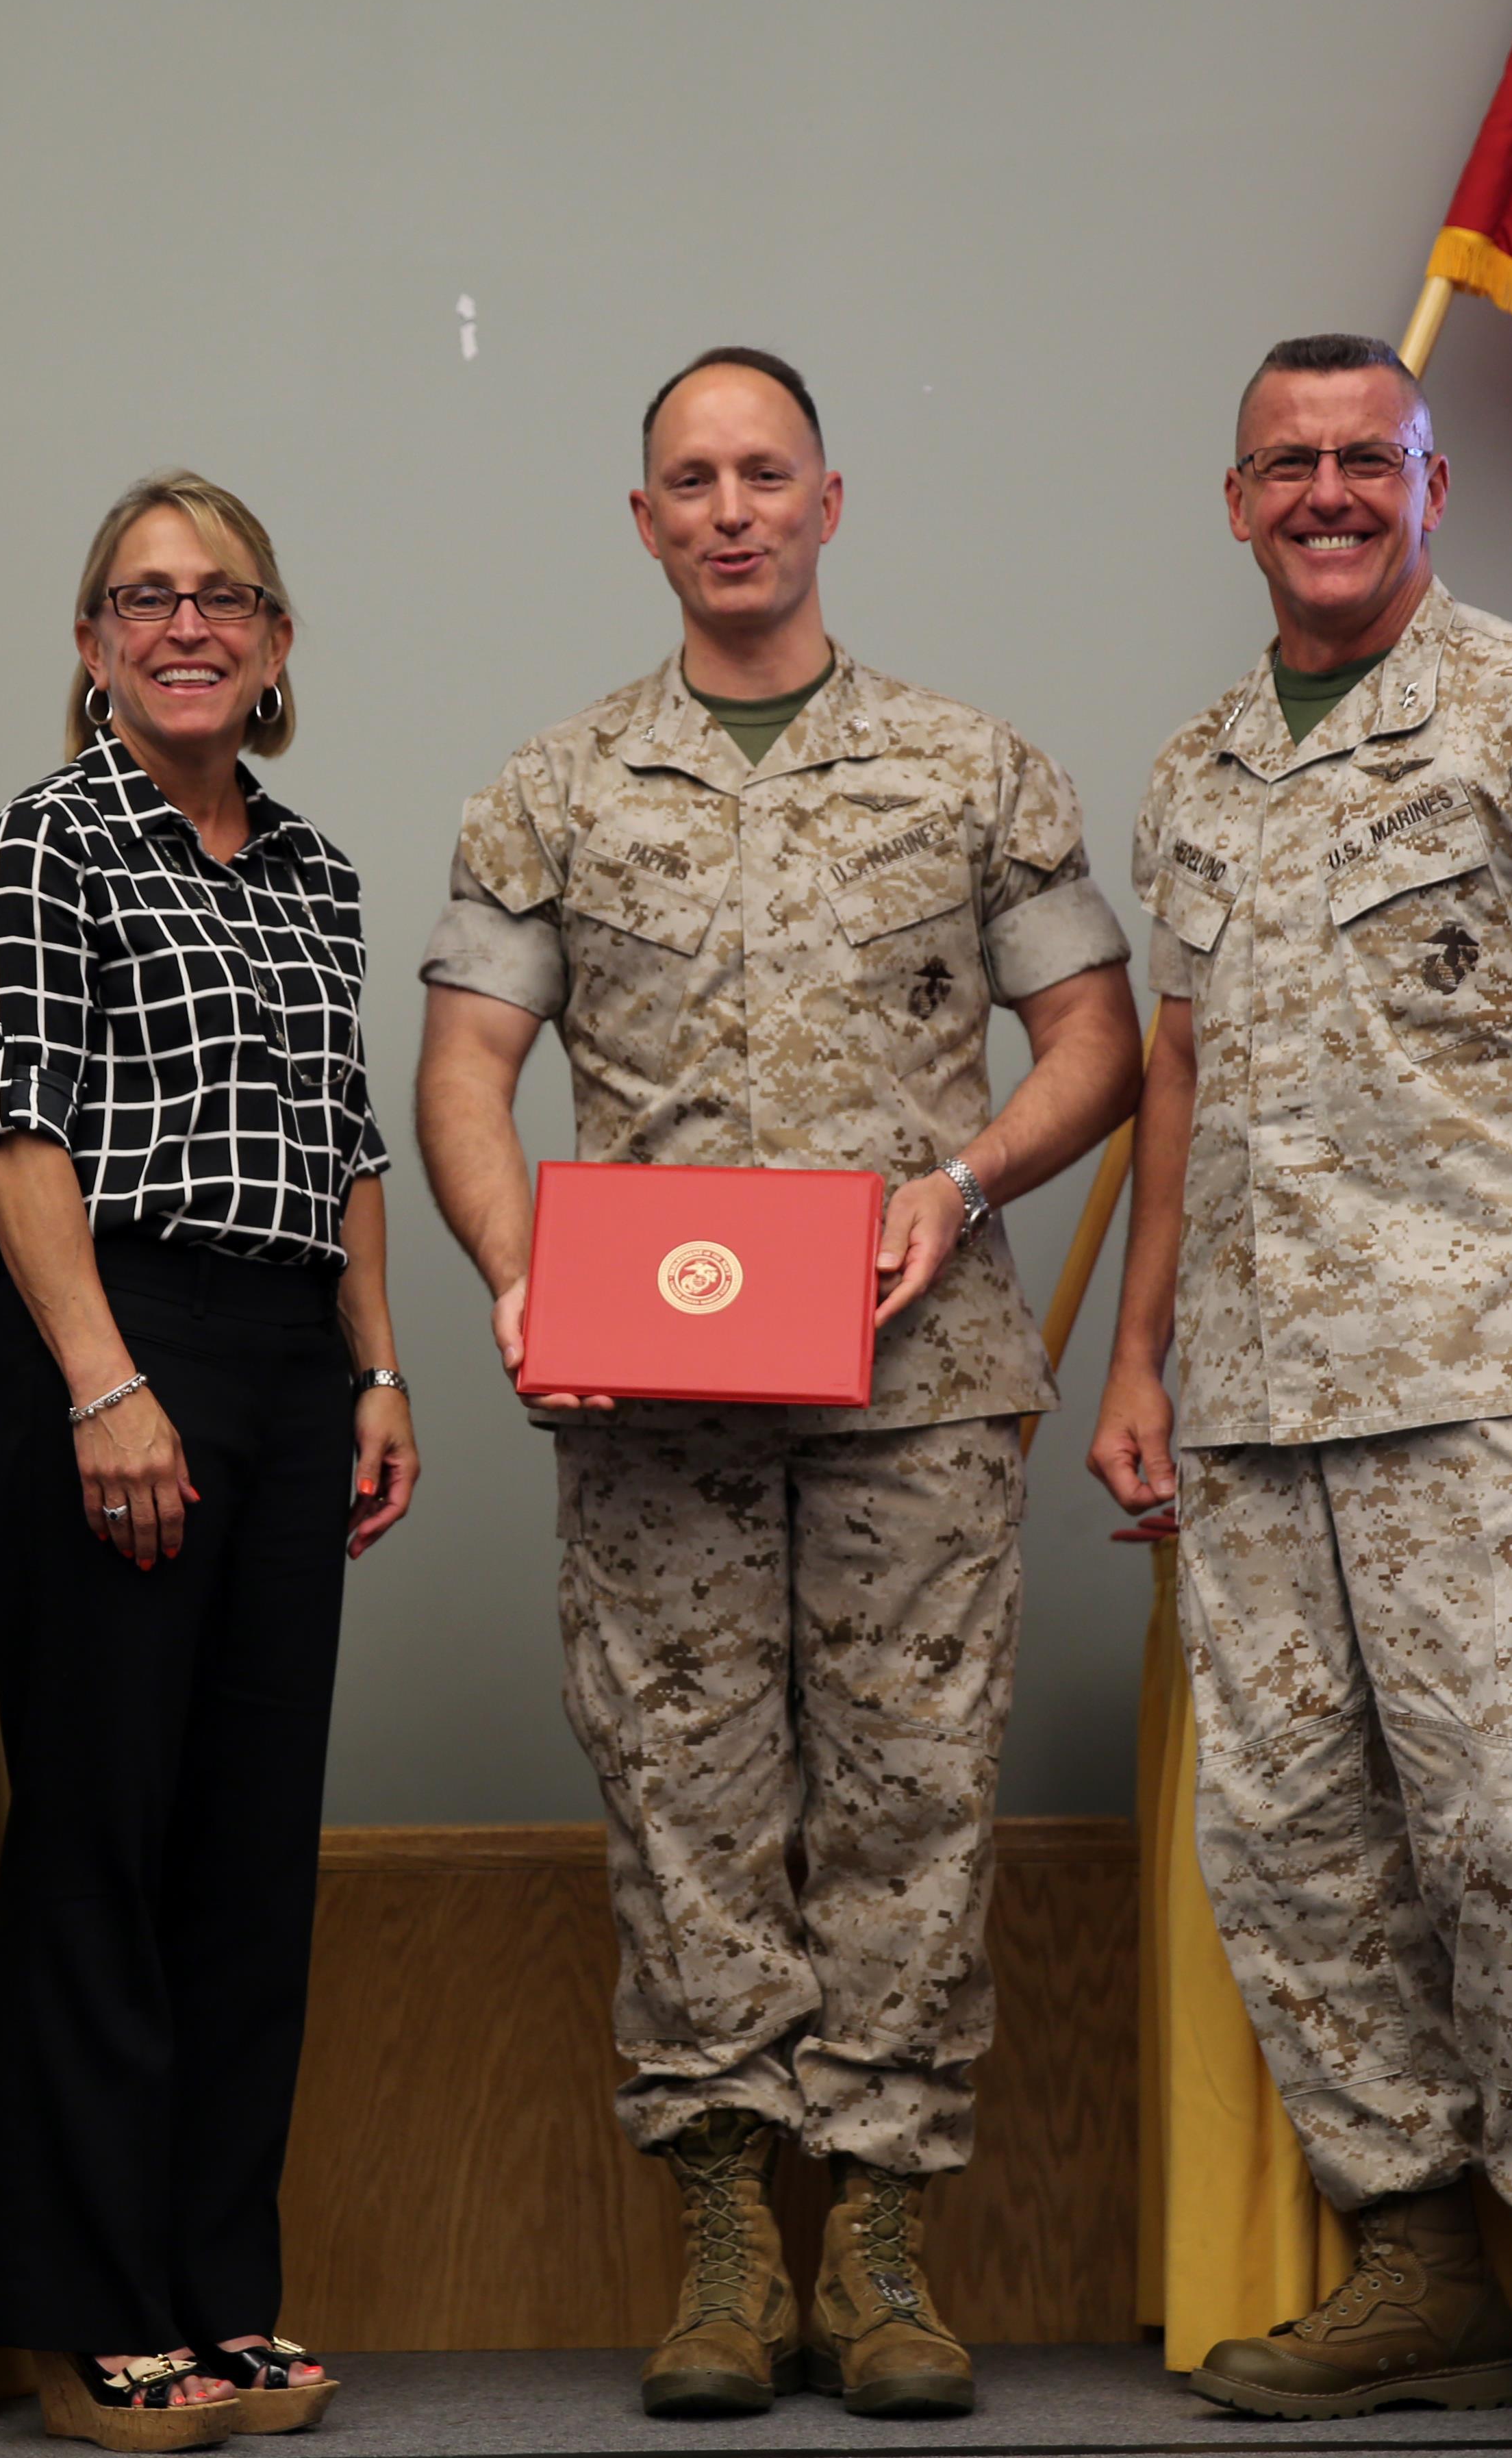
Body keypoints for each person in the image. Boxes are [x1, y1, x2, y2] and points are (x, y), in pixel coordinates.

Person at [415, 347, 1141, 2424]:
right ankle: (731, 2239)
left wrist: (967, 1171)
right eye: (689, 481)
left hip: (918, 1380)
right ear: (641, 520)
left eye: (765, 474)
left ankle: (887, 2243)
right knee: (686, 1801)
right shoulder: (551, 790)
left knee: (917, 1799)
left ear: (833, 500)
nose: (730, 510)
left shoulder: (972, 767)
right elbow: (467, 1067)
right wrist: (519, 1265)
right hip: (653, 1397)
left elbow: (1098, 1037)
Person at [1091, 333, 1512, 2446]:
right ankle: (1421, 2259)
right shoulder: (1191, 768)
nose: (1330, 490)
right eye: (1290, 462)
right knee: (1293, 1845)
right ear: (1235, 499)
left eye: (1370, 457)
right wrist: (1141, 1353)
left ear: (1430, 486)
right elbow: (1176, 1078)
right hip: (1261, 1404)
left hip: (1488, 1386)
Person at [0, 471, 420, 2453]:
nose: (186, 624)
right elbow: (20, 1140)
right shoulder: (40, 849)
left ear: (279, 643)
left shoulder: (315, 873)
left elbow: (349, 1150)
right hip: (108, 1341)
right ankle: (84, 2315)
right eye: (143, 597)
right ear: (89, 645)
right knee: (103, 1839)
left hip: (287, 1360)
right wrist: (102, 1387)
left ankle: (223, 2291)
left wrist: (377, 1371)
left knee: (245, 1854)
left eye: (224, 595)